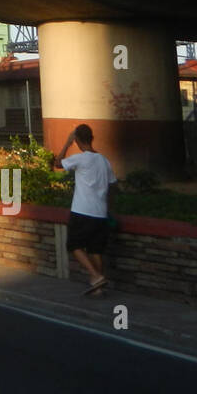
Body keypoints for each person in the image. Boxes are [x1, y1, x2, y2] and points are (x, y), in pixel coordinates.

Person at [53, 123, 118, 295]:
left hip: (82, 211)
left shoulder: (81, 159)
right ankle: (99, 286)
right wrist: (110, 209)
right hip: (101, 213)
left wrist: (67, 143)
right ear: (91, 138)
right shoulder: (104, 160)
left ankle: (95, 276)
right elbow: (113, 187)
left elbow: (57, 163)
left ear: (78, 140)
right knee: (96, 249)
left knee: (74, 245)